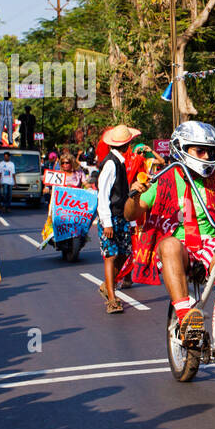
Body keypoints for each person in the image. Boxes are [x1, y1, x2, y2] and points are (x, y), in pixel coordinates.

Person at [123, 121, 215, 342]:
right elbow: (131, 215)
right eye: (200, 150)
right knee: (169, 244)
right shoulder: (164, 178)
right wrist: (133, 194)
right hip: (178, 246)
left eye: (210, 151)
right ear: (182, 148)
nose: (206, 156)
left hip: (209, 242)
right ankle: (185, 318)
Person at [96, 124, 142, 314]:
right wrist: (107, 222)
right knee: (111, 256)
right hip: (111, 217)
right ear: (127, 144)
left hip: (121, 217)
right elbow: (103, 194)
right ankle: (112, 300)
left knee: (124, 254)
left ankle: (108, 284)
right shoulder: (110, 163)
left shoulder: (120, 162)